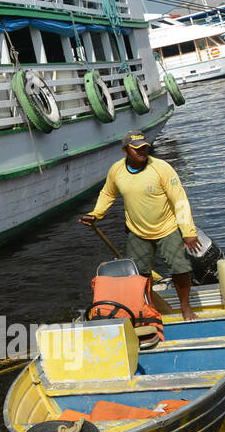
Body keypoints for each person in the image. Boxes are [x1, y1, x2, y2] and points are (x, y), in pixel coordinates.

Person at [79, 131, 202, 321]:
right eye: (137, 149)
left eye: (145, 147)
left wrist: (188, 232)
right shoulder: (116, 170)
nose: (142, 151)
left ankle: (186, 308)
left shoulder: (161, 168)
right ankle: (148, 309)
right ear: (125, 151)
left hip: (167, 228)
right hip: (137, 231)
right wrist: (96, 214)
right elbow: (108, 193)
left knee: (180, 268)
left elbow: (179, 200)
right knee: (140, 275)